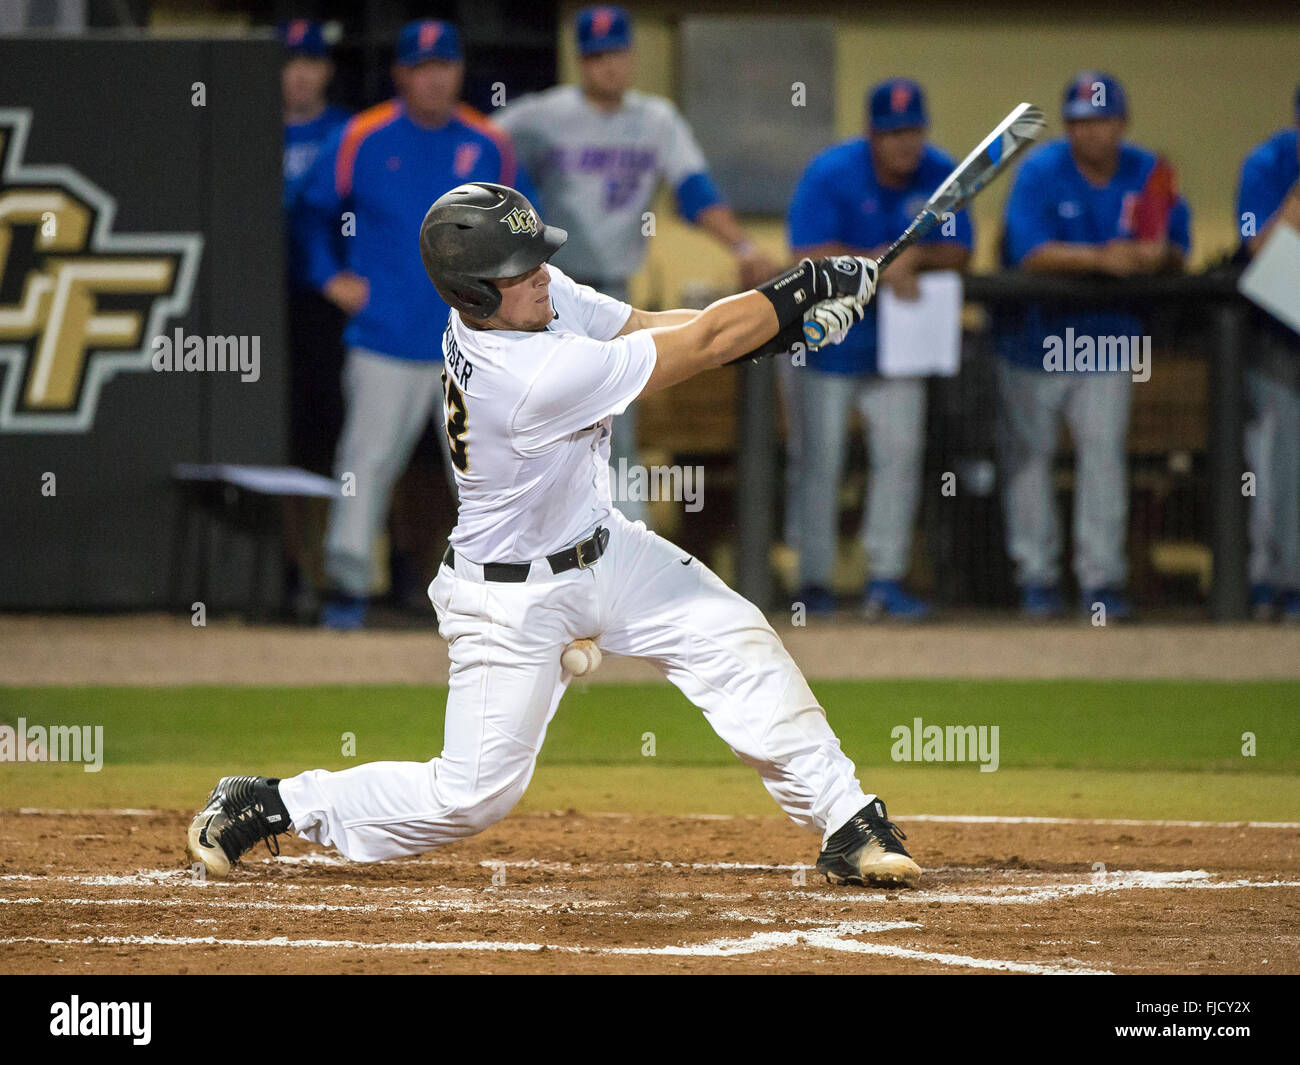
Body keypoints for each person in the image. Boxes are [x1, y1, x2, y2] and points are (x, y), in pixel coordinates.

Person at [185, 182, 922, 892]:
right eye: (519, 267)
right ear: (475, 292)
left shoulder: (526, 304)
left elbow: (643, 327)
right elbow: (700, 346)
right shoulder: (527, 377)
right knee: (470, 795)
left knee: (734, 635)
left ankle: (848, 820)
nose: (540, 273)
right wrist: (801, 292)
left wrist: (775, 329)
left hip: (605, 546)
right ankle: (273, 802)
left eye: (536, 255)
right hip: (510, 600)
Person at [495, 5, 778, 524]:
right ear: (581, 60)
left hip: (611, 291)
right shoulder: (543, 115)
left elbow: (695, 193)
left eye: (616, 53)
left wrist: (742, 247)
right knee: (543, 424)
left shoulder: (655, 119)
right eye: (596, 55)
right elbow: (481, 151)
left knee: (613, 420)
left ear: (631, 55)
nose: (608, 66)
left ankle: (621, 540)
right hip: (544, 292)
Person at [295, 19, 534, 629]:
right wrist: (330, 278)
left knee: (481, 473)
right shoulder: (361, 136)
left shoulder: (488, 143)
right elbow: (311, 214)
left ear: (459, 71)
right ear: (401, 73)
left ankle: (503, 594)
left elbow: (525, 228)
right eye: (422, 67)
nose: (434, 77)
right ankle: (346, 593)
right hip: (384, 336)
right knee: (366, 463)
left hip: (471, 341)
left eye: (445, 65)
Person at [996, 72, 1191, 620]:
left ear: (1122, 124)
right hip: (1033, 342)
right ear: (1068, 126)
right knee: (1029, 462)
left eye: (1103, 121)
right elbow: (1029, 251)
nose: (1093, 133)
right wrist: (1105, 260)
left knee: (1103, 459)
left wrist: (1158, 258)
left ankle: (1100, 584)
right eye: (1082, 122)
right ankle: (1036, 578)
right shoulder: (1040, 171)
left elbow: (1178, 250)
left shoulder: (1148, 170)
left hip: (1107, 339)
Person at [787, 79, 973, 619]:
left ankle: (885, 580)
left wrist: (921, 259)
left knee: (900, 458)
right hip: (828, 344)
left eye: (912, 130)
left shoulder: (941, 171)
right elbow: (804, 253)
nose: (904, 144)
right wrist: (878, 263)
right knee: (819, 462)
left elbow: (961, 249)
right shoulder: (831, 172)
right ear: (871, 134)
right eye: (893, 133)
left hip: (902, 350)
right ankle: (813, 580)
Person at [279, 19, 351, 620]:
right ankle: (293, 572)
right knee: (285, 443)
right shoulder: (246, 121)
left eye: (310, 61)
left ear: (326, 67)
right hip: (259, 301)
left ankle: (344, 574)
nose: (299, 73)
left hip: (330, 310)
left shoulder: (348, 131)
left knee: (337, 444)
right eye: (288, 61)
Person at [1238, 86, 1300, 624]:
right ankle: (1272, 581)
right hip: (1281, 335)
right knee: (1275, 463)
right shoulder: (1270, 164)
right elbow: (1258, 249)